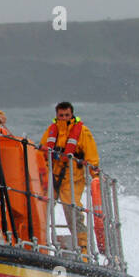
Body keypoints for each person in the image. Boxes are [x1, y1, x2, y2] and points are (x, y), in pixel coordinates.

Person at [39, 101, 99, 254]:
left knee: (72, 209)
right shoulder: (51, 131)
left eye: (67, 115)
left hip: (73, 179)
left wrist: (95, 175)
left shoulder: (83, 132)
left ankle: (84, 248)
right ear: (56, 116)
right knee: (41, 207)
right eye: (61, 115)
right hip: (53, 176)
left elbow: (92, 156)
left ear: (72, 115)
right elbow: (42, 152)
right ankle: (39, 242)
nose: (64, 118)